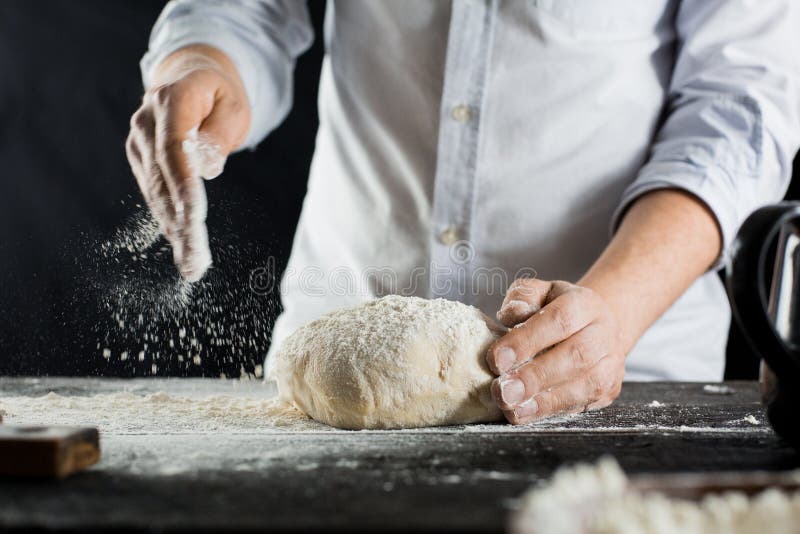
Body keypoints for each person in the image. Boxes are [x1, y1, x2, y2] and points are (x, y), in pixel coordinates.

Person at [127, 1, 800, 424]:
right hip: (337, 338)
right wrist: (206, 57)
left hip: (619, 375)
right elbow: (246, 10)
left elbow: (740, 107)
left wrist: (612, 314)